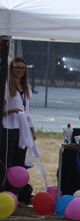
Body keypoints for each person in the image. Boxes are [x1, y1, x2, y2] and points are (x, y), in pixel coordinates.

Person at [2, 57, 36, 203]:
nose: (20, 70)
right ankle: (4, 193)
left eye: (23, 68)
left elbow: (27, 111)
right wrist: (12, 111)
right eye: (17, 67)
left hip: (23, 130)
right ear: (11, 69)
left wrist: (32, 129)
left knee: (18, 163)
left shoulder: (25, 87)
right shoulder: (5, 87)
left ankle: (15, 196)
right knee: (7, 162)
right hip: (8, 129)